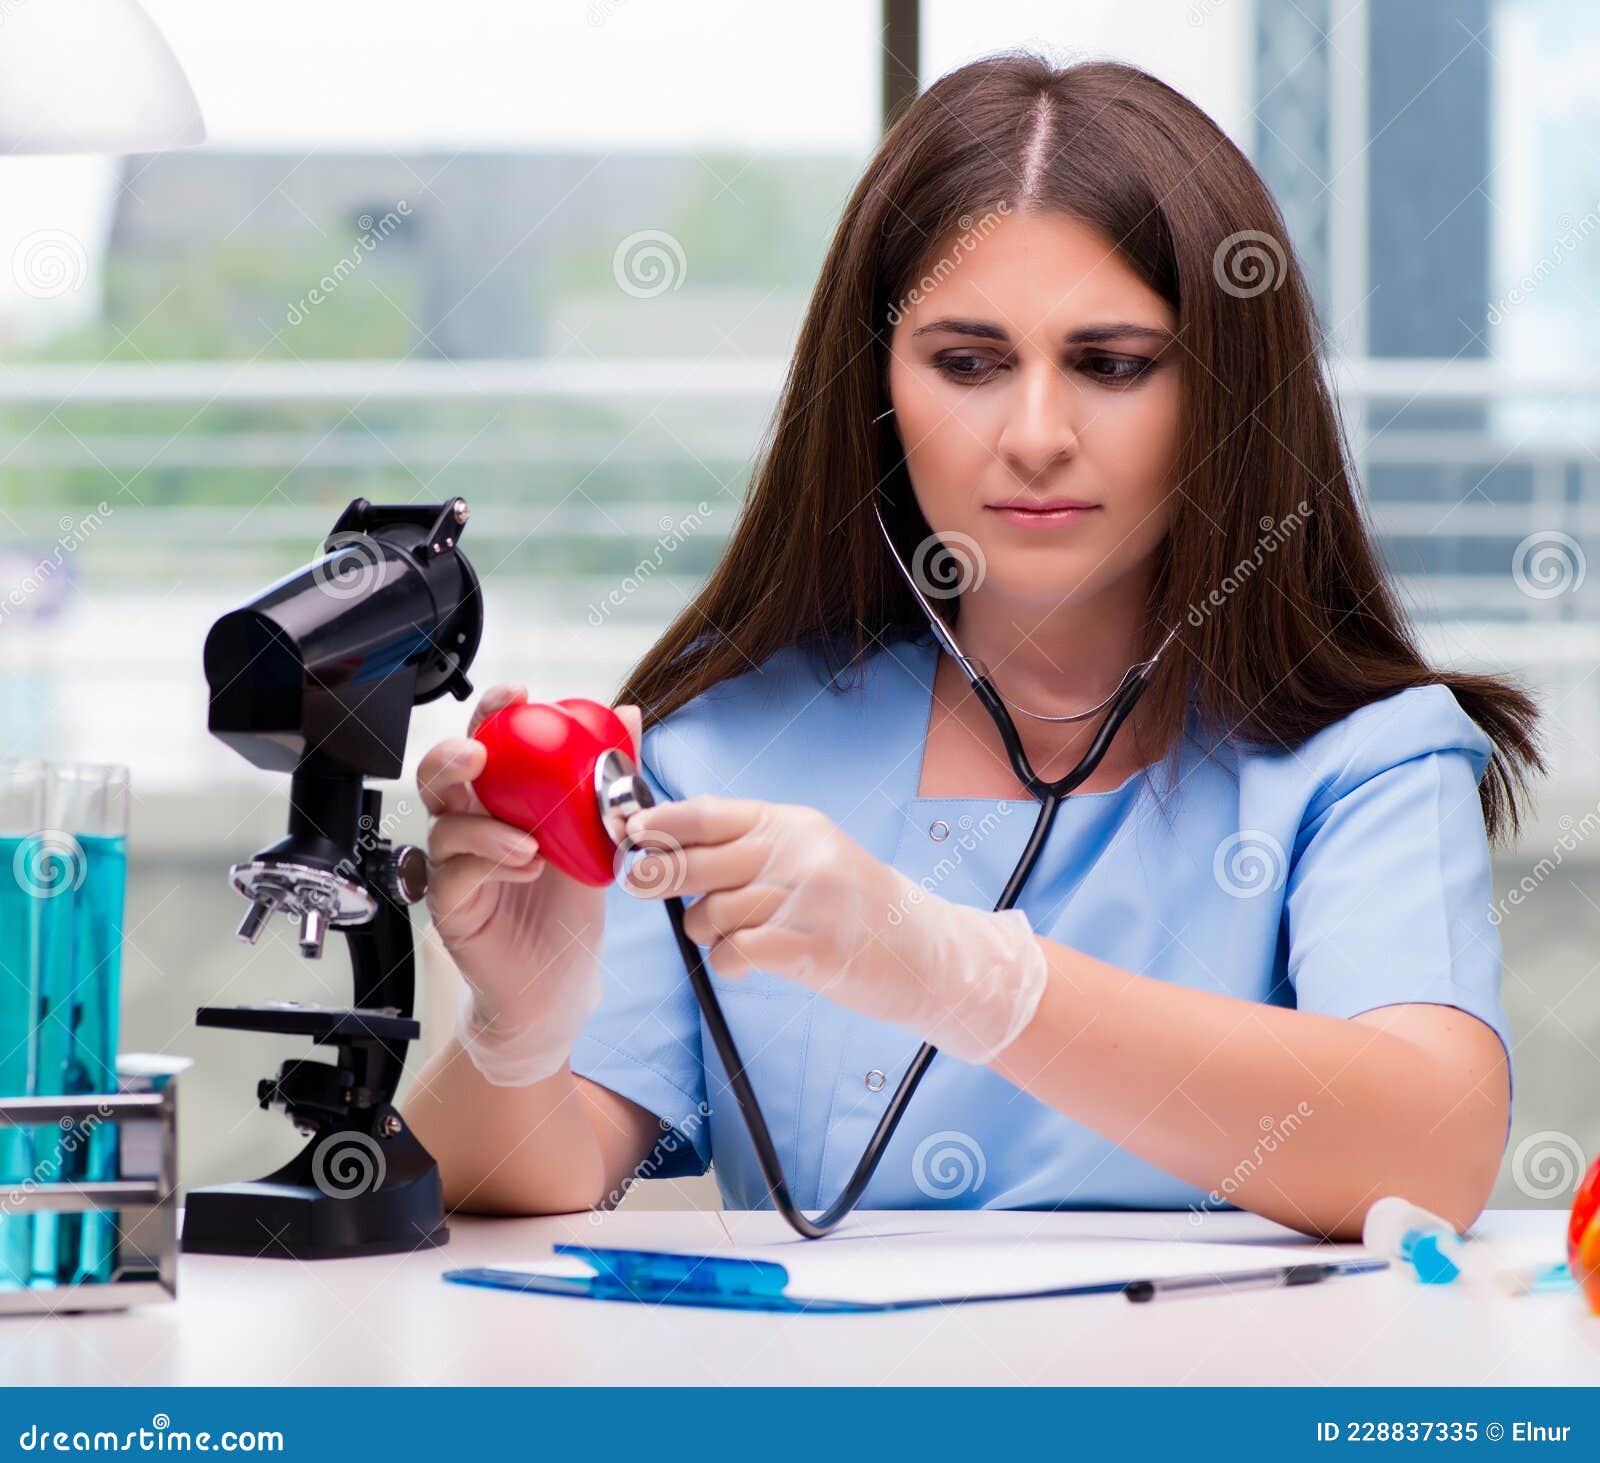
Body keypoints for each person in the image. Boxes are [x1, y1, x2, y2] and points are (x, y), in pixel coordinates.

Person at [401, 52, 1541, 1241]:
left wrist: (961, 971)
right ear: (875, 391)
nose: (1035, 436)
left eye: (1109, 365)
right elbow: (529, 1174)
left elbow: (1434, 1145)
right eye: (967, 363)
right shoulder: (719, 748)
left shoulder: (1361, 758)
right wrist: (515, 1034)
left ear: (1224, 391)